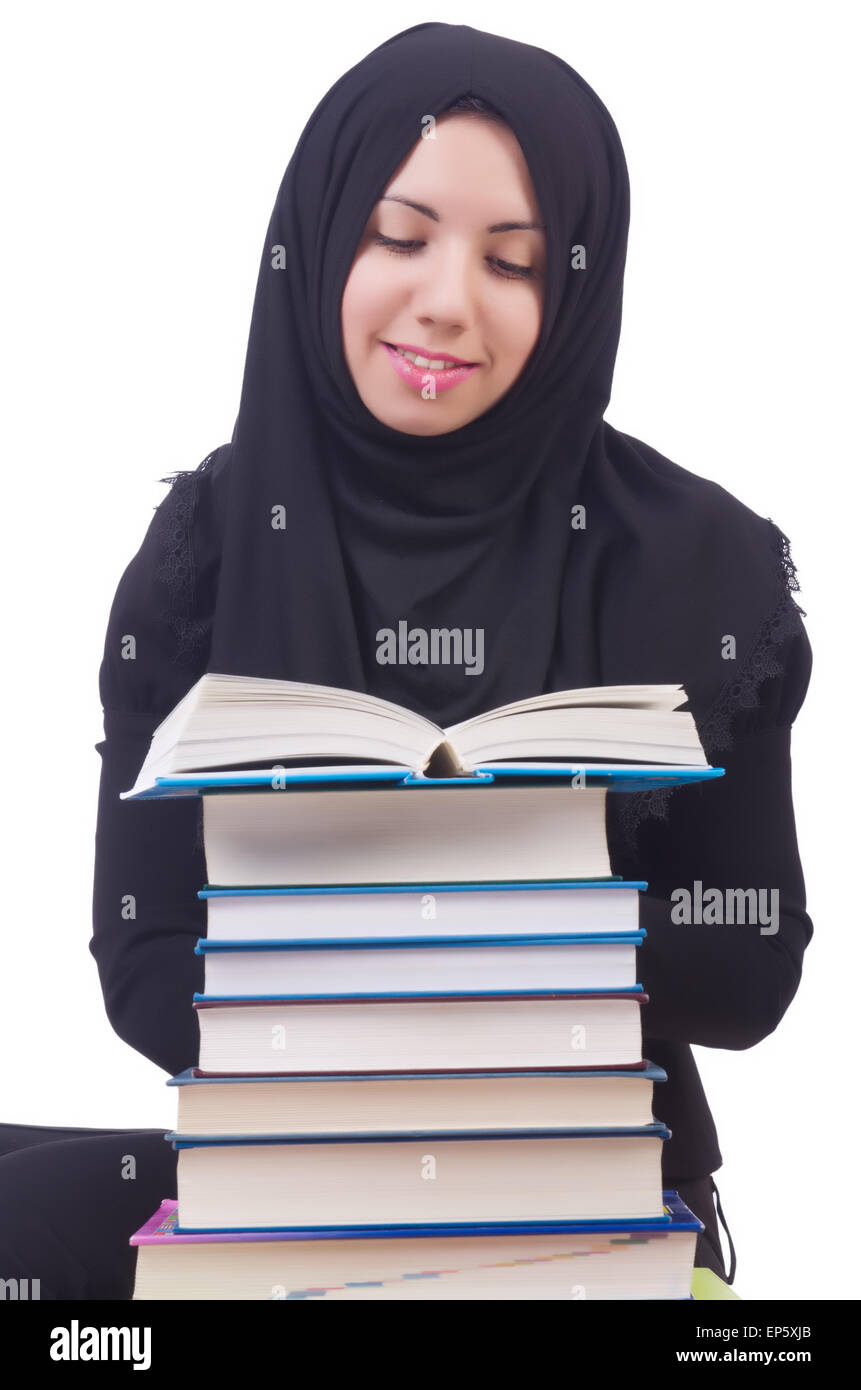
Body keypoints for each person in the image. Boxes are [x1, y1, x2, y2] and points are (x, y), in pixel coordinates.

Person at [0, 21, 811, 1299]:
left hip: (596, 1193)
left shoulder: (699, 568)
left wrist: (445, 938)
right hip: (289, 1171)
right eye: (400, 234)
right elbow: (142, 953)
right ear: (322, 235)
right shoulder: (204, 554)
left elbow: (753, 962)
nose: (447, 298)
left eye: (515, 261)